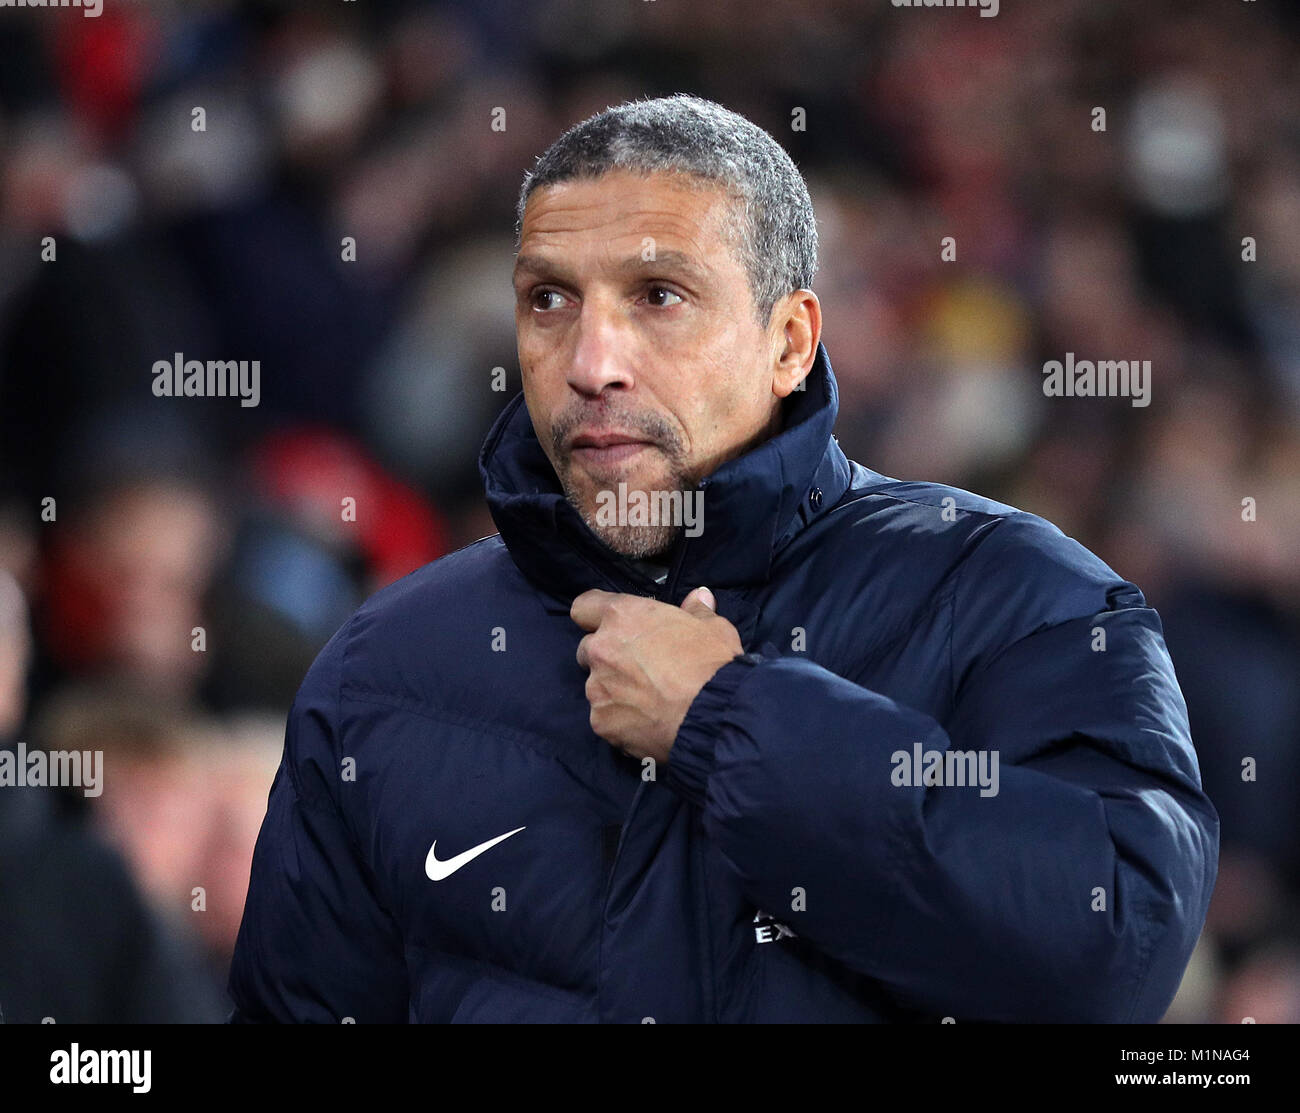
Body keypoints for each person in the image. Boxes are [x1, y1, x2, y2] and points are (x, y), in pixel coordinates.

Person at [228, 94, 1219, 1023]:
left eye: (659, 295)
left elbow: (1119, 942)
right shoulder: (384, 666)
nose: (591, 363)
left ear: (789, 342)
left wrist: (727, 720)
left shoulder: (1017, 596)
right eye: (549, 299)